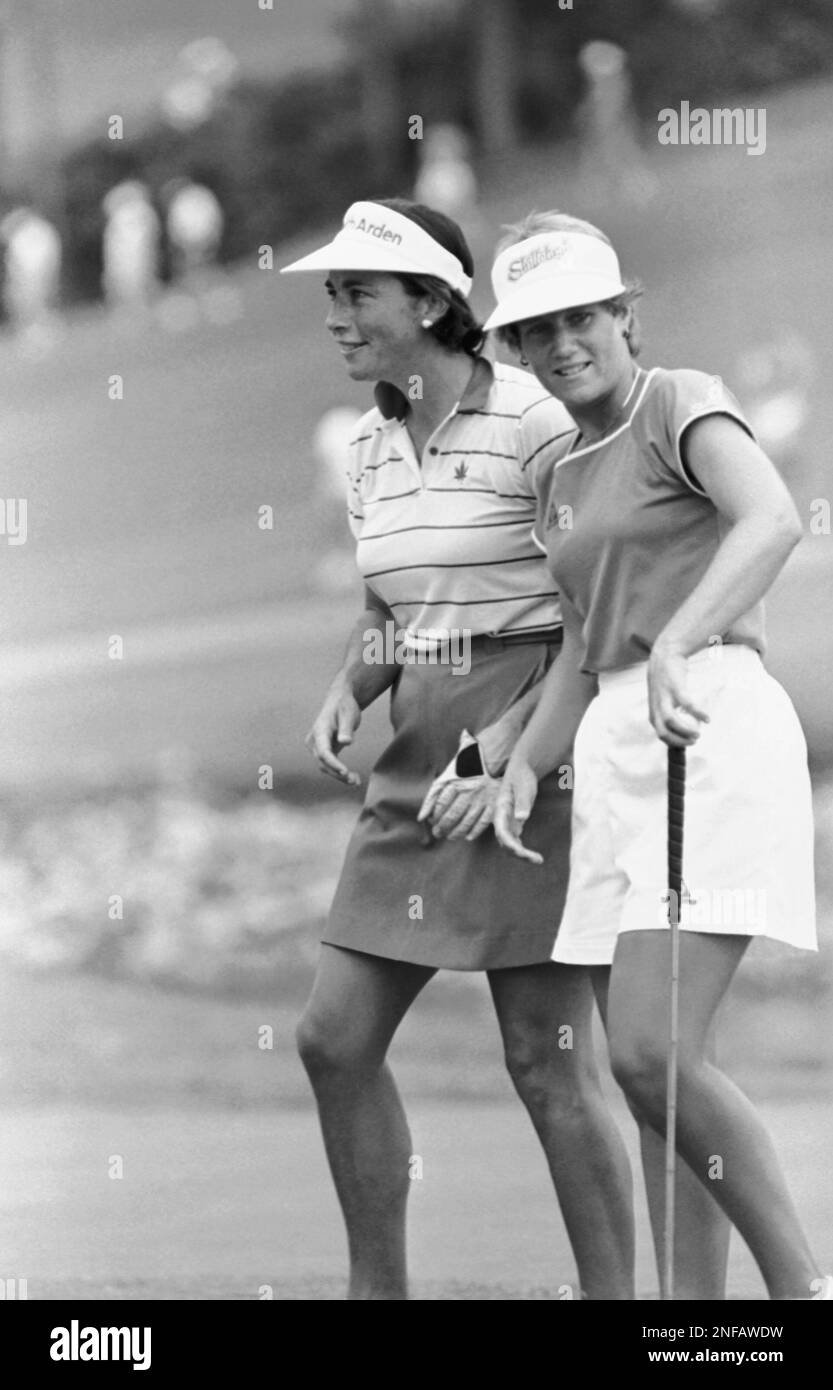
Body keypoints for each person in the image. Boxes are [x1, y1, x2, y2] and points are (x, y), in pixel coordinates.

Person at [280, 197, 635, 1300]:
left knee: (544, 1058)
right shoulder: (367, 447)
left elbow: (591, 609)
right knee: (333, 1038)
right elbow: (393, 609)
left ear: (432, 302)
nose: (335, 316)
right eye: (331, 294)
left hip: (532, 745)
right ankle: (376, 1292)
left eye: (357, 293)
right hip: (417, 758)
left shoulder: (535, 419)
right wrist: (351, 684)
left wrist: (508, 747)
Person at [487, 209, 833, 1301]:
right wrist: (523, 762)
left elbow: (771, 518)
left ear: (623, 316)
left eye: (581, 317)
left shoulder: (674, 402)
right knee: (658, 1082)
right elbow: (582, 651)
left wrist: (679, 638)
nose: (561, 344)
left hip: (705, 726)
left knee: (649, 1052)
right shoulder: (559, 474)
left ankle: (802, 1290)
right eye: (536, 330)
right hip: (615, 753)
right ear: (516, 346)